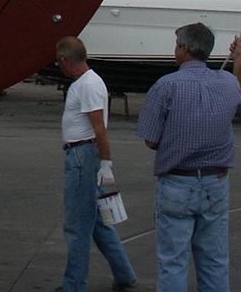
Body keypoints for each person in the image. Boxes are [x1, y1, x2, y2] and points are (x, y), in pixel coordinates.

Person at [135, 23, 241, 292]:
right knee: (214, 260)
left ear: (184, 49)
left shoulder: (166, 85)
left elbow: (151, 139)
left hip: (177, 181)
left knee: (173, 261)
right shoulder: (227, 82)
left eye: (176, 45)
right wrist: (239, 60)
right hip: (215, 182)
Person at [54, 36, 137, 292]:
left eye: (59, 62)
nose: (59, 67)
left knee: (77, 225)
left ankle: (74, 285)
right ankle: (124, 274)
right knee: (100, 223)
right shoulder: (89, 82)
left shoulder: (87, 85)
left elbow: (99, 128)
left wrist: (105, 162)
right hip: (85, 154)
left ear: (66, 60)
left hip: (82, 156)